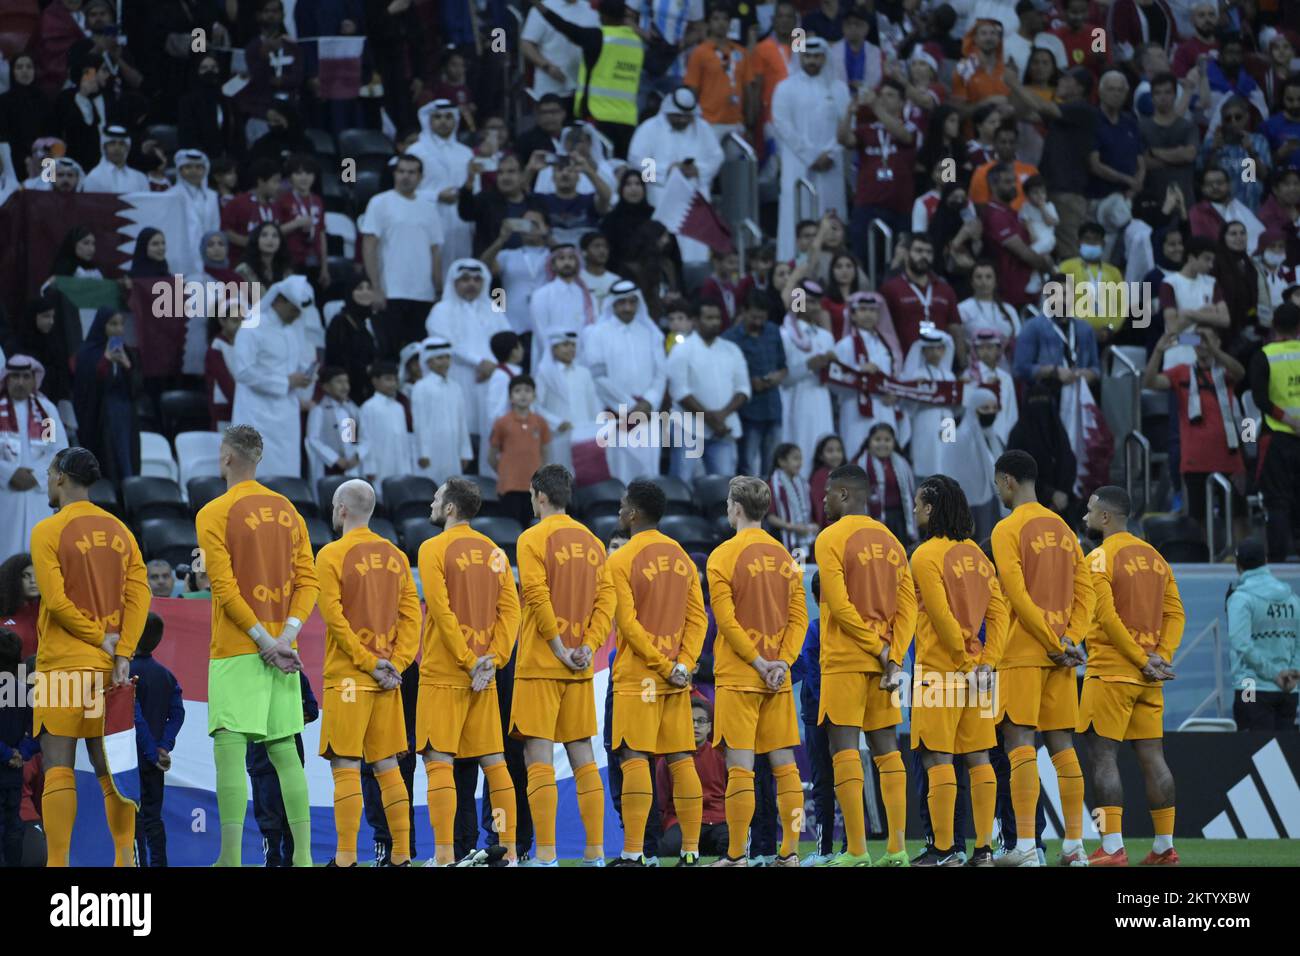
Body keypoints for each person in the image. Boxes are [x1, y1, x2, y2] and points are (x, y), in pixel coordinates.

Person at [195, 425, 319, 867]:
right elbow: (309, 582)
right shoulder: (289, 510)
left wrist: (264, 641)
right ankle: (302, 858)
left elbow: (224, 589)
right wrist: (284, 637)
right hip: (284, 654)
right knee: (284, 750)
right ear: (259, 458)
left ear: (226, 457)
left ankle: (230, 857)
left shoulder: (214, 511)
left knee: (229, 745)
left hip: (236, 647)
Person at [32, 446, 149, 866]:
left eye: (49, 472)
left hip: (62, 666)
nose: (47, 480)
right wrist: (122, 652)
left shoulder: (47, 530)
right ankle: (124, 860)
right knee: (111, 770)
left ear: (61, 476)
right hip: (108, 671)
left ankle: (58, 864)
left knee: (59, 766)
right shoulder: (121, 531)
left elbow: (57, 603)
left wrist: (100, 640)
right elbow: (140, 594)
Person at [989, 449, 1094, 867]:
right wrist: (1070, 639)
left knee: (1020, 747)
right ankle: (1075, 846)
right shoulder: (1065, 529)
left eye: (998, 482)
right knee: (1063, 748)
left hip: (1022, 653)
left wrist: (1051, 639)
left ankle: (1027, 848)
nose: (998, 489)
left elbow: (1015, 592)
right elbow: (1086, 591)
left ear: (1008, 481)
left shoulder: (1006, 528)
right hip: (1062, 658)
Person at [510, 464, 615, 865]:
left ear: (538, 495)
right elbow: (606, 601)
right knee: (582, 756)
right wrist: (587, 646)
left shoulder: (532, 537)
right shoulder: (592, 541)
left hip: (542, 662)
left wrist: (557, 648)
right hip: (580, 665)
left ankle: (548, 856)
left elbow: (536, 596)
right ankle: (595, 853)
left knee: (537, 758)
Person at [417, 478, 522, 866]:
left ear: (449, 508)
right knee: (495, 764)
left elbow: (441, 611)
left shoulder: (431, 549)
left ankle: (444, 856)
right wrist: (492, 659)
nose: (431, 501)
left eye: (436, 497)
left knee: (439, 762)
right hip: (485, 677)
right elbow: (512, 610)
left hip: (446, 672)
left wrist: (468, 659)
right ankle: (508, 851)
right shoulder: (494, 552)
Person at [314, 479, 420, 867]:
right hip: (388, 679)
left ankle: (344, 859)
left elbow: (335, 618)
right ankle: (402, 857)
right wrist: (398, 664)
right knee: (387, 765)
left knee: (346, 764)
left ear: (342, 509)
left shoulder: (330, 555)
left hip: (349, 677)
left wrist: (368, 662)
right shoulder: (395, 555)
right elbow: (413, 616)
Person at [816, 463, 917, 866]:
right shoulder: (891, 539)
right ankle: (897, 848)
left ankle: (857, 850)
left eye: (826, 493)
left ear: (843, 494)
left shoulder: (830, 538)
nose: (822, 500)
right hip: (886, 667)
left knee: (844, 751)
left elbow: (838, 605)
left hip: (845, 659)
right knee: (887, 751)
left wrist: (878, 650)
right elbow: (908, 605)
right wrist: (894, 655)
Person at [704, 476, 808, 867]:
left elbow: (727, 622)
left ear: (735, 506)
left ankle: (736, 856)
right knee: (786, 768)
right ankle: (791, 852)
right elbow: (799, 617)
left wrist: (758, 662)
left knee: (740, 771)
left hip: (739, 675)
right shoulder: (786, 557)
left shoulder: (722, 556)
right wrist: (783, 661)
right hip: (777, 680)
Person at [606, 479, 708, 866]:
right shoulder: (681, 555)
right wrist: (683, 663)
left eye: (621, 507)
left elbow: (628, 625)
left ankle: (634, 853)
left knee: (635, 758)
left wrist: (664, 666)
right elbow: (698, 616)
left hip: (640, 678)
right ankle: (692, 851)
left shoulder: (620, 559)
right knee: (681, 758)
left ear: (633, 513)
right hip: (675, 680)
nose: (618, 512)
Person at [909, 475, 1009, 867]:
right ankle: (983, 850)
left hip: (940, 672)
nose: (915, 510)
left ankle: (945, 850)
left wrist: (968, 665)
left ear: (931, 508)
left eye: (919, 504)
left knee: (938, 760)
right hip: (979, 677)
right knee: (979, 758)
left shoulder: (924, 555)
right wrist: (987, 664)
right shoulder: (978, 556)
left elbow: (942, 617)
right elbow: (998, 615)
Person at [1080, 485, 1182, 866]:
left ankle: (1111, 848)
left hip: (1111, 672)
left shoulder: (1099, 558)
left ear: (1106, 517)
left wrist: (1141, 659)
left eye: (1090, 511)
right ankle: (1164, 846)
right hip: (1150, 678)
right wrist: (1160, 656)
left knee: (1103, 758)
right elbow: (1175, 613)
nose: (1086, 518)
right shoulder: (1156, 558)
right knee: (1153, 758)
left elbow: (1106, 617)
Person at [1143, 327, 1246, 538]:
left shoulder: (1225, 370)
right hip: (1195, 459)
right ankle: (1204, 559)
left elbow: (1241, 372)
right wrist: (1159, 351)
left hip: (1230, 456)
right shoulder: (1181, 372)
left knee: (1239, 515)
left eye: (1207, 339)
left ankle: (1241, 559)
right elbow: (1149, 382)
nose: (1202, 344)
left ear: (1218, 341)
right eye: (1197, 340)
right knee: (1197, 518)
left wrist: (1215, 351)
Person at [526, 0, 645, 157]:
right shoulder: (636, 42)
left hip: (598, 116)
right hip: (627, 118)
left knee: (599, 166)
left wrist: (540, 7)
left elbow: (564, 26)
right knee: (618, 168)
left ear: (602, 16)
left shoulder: (598, 37)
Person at [229, 276, 318, 479]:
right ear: (279, 300)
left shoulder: (292, 330)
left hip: (287, 416)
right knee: (256, 475)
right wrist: (285, 382)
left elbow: (295, 366)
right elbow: (243, 372)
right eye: (294, 309)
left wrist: (305, 376)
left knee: (286, 477)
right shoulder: (253, 326)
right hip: (256, 414)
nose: (297, 315)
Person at [578, 280, 667, 482]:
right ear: (612, 304)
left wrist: (649, 402)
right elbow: (597, 377)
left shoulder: (651, 333)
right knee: (620, 475)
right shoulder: (597, 334)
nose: (627, 307)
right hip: (615, 415)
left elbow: (661, 373)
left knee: (650, 475)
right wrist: (629, 406)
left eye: (632, 302)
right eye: (621, 303)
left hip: (647, 415)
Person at [772, 38, 851, 261]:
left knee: (830, 215)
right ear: (800, 57)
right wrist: (811, 156)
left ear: (825, 57)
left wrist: (830, 153)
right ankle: (791, 266)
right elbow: (782, 125)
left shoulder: (839, 89)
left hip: (830, 166)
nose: (813, 61)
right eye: (808, 56)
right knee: (794, 217)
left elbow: (847, 125)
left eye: (817, 56)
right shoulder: (785, 88)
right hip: (798, 165)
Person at [362, 154, 445, 353]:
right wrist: (376, 288)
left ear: (420, 177)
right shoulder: (379, 202)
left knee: (417, 354)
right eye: (401, 171)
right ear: (394, 174)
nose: (405, 176)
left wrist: (438, 288)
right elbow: (369, 246)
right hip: (391, 292)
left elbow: (435, 251)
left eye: (411, 172)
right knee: (388, 352)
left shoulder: (429, 208)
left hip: (423, 294)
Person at [426, 259, 511, 443]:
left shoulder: (494, 309)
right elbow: (447, 343)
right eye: (465, 279)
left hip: (492, 376)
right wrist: (479, 362)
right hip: (460, 374)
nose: (471, 284)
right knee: (463, 429)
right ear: (454, 282)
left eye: (476, 279)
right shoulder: (441, 310)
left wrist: (494, 366)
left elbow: (507, 339)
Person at [665, 300, 749, 481]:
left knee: (724, 488)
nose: (715, 322)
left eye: (717, 318)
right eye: (709, 318)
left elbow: (743, 388)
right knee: (683, 483)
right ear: (695, 321)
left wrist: (722, 415)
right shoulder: (681, 350)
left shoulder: (731, 349)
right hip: (689, 429)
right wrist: (710, 418)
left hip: (723, 428)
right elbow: (679, 391)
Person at [0, 356, 69, 564]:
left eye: (25, 377)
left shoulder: (46, 412)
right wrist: (9, 473)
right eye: (14, 377)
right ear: (6, 379)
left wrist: (38, 476)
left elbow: (57, 451)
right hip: (5, 492)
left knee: (40, 555)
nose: (20, 382)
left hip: (39, 493)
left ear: (33, 380)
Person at [1228, 537, 1300, 731]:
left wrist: (1274, 674)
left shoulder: (1241, 599)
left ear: (1238, 565)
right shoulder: (1292, 599)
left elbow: (1241, 643)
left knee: (1254, 752)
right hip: (1289, 689)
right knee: (1282, 755)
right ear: (1266, 561)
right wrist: (1293, 673)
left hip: (1249, 686)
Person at [130, 612, 184, 867]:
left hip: (131, 758)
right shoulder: (166, 675)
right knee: (153, 817)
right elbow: (177, 713)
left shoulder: (125, 674)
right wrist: (164, 745)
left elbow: (134, 715)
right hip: (154, 761)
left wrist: (153, 751)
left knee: (132, 818)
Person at [1249, 302, 1300, 561]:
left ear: (1274, 327)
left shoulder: (1264, 355)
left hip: (1278, 436)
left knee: (1277, 501)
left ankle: (1279, 562)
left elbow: (1259, 398)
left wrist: (1289, 420)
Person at [72, 308, 140, 484]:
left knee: (125, 459)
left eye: (121, 324)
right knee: (106, 459)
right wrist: (105, 361)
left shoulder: (127, 351)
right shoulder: (89, 352)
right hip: (100, 415)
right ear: (102, 326)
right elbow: (86, 385)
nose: (118, 329)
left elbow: (136, 387)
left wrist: (126, 365)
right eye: (113, 324)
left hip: (123, 415)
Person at [407, 100, 475, 271]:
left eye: (448, 117)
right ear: (429, 121)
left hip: (461, 219)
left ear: (456, 121)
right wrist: (436, 195)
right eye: (437, 117)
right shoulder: (416, 151)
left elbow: (473, 187)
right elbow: (406, 190)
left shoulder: (466, 153)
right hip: (429, 214)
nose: (443, 121)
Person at [489, 375, 552, 529]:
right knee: (510, 528)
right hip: (509, 487)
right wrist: (505, 473)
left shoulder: (540, 422)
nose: (523, 394)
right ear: (510, 397)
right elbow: (491, 455)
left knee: (533, 528)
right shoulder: (502, 422)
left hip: (534, 488)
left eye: (527, 390)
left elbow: (545, 452)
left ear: (534, 396)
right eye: (517, 391)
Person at [528, 243, 599, 370]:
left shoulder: (587, 296)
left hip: (582, 362)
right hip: (551, 362)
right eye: (561, 259)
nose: (567, 262)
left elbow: (592, 330)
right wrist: (558, 357)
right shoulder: (541, 295)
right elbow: (541, 332)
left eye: (571, 258)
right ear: (553, 265)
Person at [411, 338, 473, 483]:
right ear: (429, 361)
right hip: (432, 451)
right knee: (431, 489)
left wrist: (465, 452)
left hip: (453, 450)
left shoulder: (455, 387)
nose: (445, 362)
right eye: (439, 358)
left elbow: (461, 422)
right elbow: (420, 422)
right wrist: (423, 452)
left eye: (447, 357)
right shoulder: (421, 387)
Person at [684, 4, 747, 140]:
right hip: (708, 122)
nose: (721, 23)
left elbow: (747, 88)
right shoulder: (699, 52)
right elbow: (693, 88)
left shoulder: (741, 52)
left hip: (735, 122)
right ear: (708, 24)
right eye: (716, 19)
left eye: (725, 19)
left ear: (730, 23)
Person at [521, 0, 601, 103]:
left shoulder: (591, 9)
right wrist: (546, 66)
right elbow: (526, 44)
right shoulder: (542, 8)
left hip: (583, 90)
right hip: (551, 89)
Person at [305, 367, 367, 486]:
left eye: (346, 382)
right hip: (329, 466)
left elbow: (365, 437)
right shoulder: (319, 410)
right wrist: (335, 459)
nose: (345, 386)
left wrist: (357, 455)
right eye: (339, 382)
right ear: (326, 386)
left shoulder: (352, 409)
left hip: (351, 466)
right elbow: (313, 439)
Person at [82, 125, 147, 194]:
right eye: (112, 143)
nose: (117, 148)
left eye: (121, 144)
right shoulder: (93, 178)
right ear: (104, 148)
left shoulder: (140, 178)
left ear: (127, 148)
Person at [0, 554, 40, 659]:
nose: (33, 581)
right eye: (26, 576)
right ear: (12, 579)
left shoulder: (49, 612)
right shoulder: (3, 614)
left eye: (37, 575)